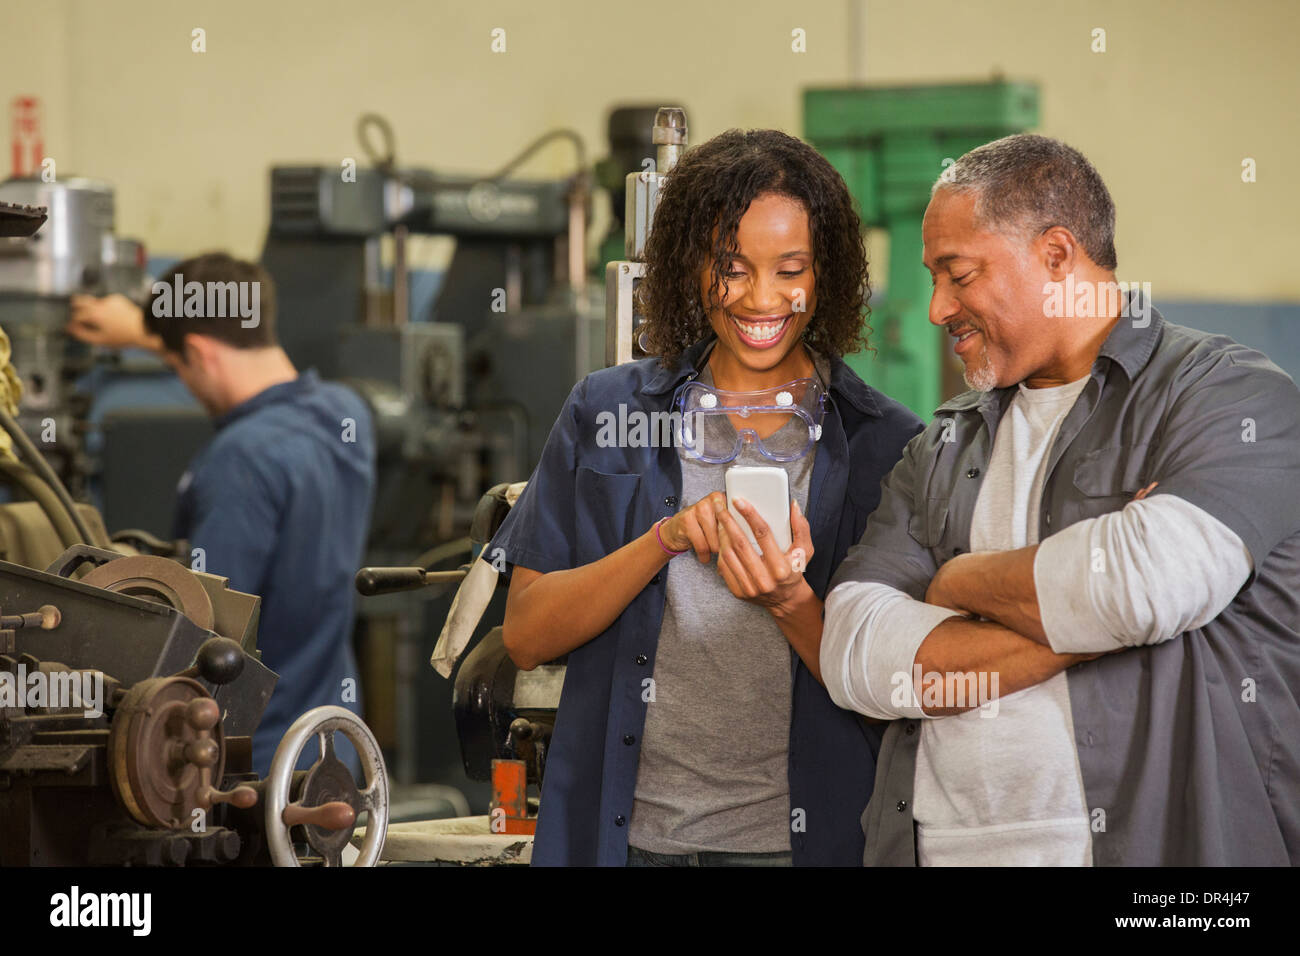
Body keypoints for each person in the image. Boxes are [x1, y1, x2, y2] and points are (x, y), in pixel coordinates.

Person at [821, 134, 1300, 865]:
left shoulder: (1228, 396)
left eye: (958, 275)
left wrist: (957, 583)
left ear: (1055, 256)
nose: (936, 308)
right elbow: (854, 651)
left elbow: (1143, 583)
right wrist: (1091, 611)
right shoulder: (944, 442)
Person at [485, 128, 923, 866]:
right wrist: (668, 538)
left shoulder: (885, 444)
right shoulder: (606, 413)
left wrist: (789, 598)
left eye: (791, 270)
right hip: (624, 840)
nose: (761, 298)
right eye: (732, 268)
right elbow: (526, 635)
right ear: (694, 266)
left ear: (828, 274)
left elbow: (889, 687)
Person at [68, 253, 376, 776]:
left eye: (176, 365)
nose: (184, 382)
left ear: (198, 351)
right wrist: (155, 333)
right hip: (331, 747)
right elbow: (217, 344)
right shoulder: (347, 414)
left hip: (249, 764)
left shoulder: (239, 461)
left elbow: (199, 632)